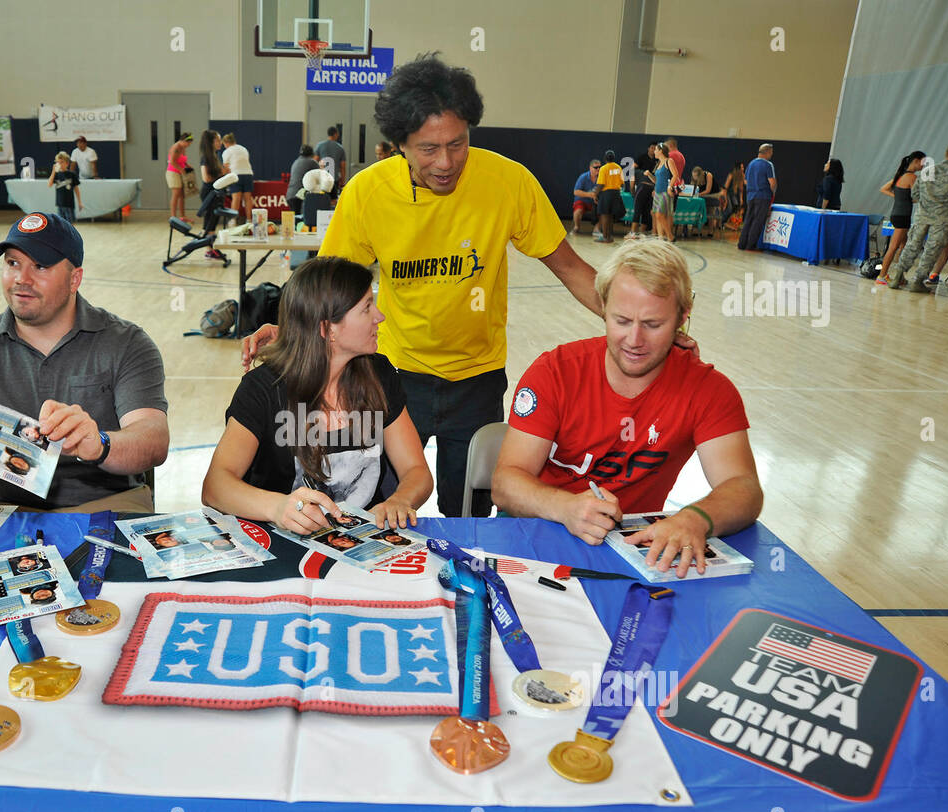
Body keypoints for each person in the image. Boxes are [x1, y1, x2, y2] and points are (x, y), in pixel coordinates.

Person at [240, 56, 693, 518]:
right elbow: (326, 284)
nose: (445, 162)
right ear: (399, 145)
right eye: (428, 149)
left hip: (477, 379)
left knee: (469, 515)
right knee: (386, 510)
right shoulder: (368, 192)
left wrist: (642, 326)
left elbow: (573, 269)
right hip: (391, 375)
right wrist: (290, 329)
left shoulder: (507, 182)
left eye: (457, 144)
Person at [492, 239, 762, 579]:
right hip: (535, 533)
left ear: (682, 317)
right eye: (621, 320)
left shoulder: (709, 390)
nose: (634, 340)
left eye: (652, 325)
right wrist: (565, 508)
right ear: (602, 306)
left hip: (630, 552)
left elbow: (744, 488)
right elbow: (505, 482)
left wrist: (695, 518)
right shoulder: (555, 372)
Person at [0, 213, 169, 514]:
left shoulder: (127, 343)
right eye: (12, 263)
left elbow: (153, 439)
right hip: (5, 510)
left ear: (75, 278)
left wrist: (99, 443)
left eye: (40, 266)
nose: (22, 278)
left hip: (105, 506)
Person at [203, 256, 433, 533]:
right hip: (283, 544)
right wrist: (277, 507)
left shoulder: (379, 374)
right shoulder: (264, 388)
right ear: (327, 329)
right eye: (366, 308)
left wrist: (399, 500)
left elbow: (416, 471)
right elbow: (216, 486)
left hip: (365, 543)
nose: (379, 316)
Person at [886, 141, 948, 292]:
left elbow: (915, 194)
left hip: (922, 215)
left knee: (912, 244)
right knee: (932, 248)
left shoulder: (928, 170)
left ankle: (897, 276)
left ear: (946, 152)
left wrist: (927, 202)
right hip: (941, 219)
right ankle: (917, 281)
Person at [876, 152, 924, 284]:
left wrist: (901, 198)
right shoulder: (912, 177)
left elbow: (885, 189)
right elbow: (918, 195)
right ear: (915, 161)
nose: (923, 165)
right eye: (922, 162)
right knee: (893, 247)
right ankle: (881, 276)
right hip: (902, 216)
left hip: (898, 214)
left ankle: (899, 276)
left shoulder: (900, 175)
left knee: (903, 246)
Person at [738, 143, 776, 251]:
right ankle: (751, 245)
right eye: (771, 152)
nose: (771, 155)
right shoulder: (768, 165)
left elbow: (745, 181)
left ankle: (741, 244)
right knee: (758, 221)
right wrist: (773, 192)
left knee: (748, 219)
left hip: (751, 196)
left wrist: (753, 185)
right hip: (763, 196)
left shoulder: (751, 164)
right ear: (767, 152)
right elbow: (772, 182)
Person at [197, 129, 226, 260]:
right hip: (209, 193)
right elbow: (206, 178)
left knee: (213, 221)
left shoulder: (215, 156)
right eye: (217, 140)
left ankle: (210, 248)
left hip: (216, 193)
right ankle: (209, 249)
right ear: (211, 142)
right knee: (210, 220)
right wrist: (222, 173)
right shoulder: (206, 158)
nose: (220, 142)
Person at [221, 132, 254, 224]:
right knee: (248, 198)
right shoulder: (243, 149)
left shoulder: (227, 151)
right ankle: (249, 220)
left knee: (236, 198)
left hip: (236, 175)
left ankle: (233, 220)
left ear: (226, 143)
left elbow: (226, 167)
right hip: (248, 174)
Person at [628, 142, 658, 239]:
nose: (653, 150)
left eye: (655, 148)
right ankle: (642, 233)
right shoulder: (641, 160)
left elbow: (632, 184)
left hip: (643, 188)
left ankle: (633, 233)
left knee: (638, 210)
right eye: (652, 148)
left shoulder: (635, 172)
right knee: (646, 210)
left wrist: (632, 191)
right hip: (652, 187)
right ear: (648, 148)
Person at [594, 150, 624, 243]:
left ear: (605, 158)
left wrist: (595, 194)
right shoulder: (618, 168)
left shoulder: (604, 168)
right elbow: (622, 183)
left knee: (604, 215)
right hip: (616, 193)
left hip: (606, 193)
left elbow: (601, 184)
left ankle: (605, 237)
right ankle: (610, 237)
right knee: (611, 216)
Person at [165, 131, 193, 221]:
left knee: (182, 196)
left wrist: (187, 165)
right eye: (188, 143)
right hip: (173, 173)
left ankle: (182, 216)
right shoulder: (176, 147)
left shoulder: (182, 147)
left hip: (180, 172)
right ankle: (173, 217)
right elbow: (172, 162)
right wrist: (182, 170)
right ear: (184, 140)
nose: (188, 145)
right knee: (176, 195)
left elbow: (181, 160)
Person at [47, 151, 82, 223]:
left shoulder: (72, 174)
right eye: (58, 162)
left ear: (67, 163)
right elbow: (49, 184)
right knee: (61, 224)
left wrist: (79, 202)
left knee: (70, 224)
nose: (59, 164)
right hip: (60, 204)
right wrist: (53, 171)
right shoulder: (56, 174)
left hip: (69, 204)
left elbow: (76, 188)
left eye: (61, 162)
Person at [315, 126, 348, 196]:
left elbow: (314, 162)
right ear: (336, 134)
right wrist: (342, 181)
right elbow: (343, 167)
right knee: (333, 201)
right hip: (334, 180)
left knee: (322, 200)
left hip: (322, 179)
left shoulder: (320, 146)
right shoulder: (340, 148)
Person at [287, 144, 319, 214]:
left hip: (290, 195)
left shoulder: (296, 161)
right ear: (311, 154)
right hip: (299, 196)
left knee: (295, 221)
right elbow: (320, 177)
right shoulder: (312, 162)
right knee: (302, 221)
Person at [651, 143, 674, 241]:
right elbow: (657, 180)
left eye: (656, 150)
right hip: (657, 192)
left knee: (659, 215)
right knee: (657, 215)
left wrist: (669, 187)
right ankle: (660, 238)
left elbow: (675, 175)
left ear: (661, 151)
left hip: (665, 192)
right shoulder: (658, 163)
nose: (654, 152)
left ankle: (670, 236)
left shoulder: (669, 161)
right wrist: (649, 175)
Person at [572, 159, 600, 234]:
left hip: (595, 202)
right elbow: (576, 192)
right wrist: (589, 195)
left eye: (599, 167)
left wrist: (596, 197)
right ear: (590, 168)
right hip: (583, 201)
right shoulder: (583, 177)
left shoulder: (601, 178)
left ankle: (597, 229)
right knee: (578, 211)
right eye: (596, 167)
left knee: (604, 209)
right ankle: (576, 227)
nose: (598, 169)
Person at [722, 160, 747, 229]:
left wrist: (741, 199)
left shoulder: (742, 176)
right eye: (741, 167)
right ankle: (722, 222)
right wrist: (725, 199)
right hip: (727, 193)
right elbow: (725, 188)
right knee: (729, 208)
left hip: (734, 194)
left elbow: (741, 189)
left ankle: (730, 223)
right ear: (737, 168)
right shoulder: (731, 175)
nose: (743, 169)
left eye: (743, 167)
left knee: (736, 207)